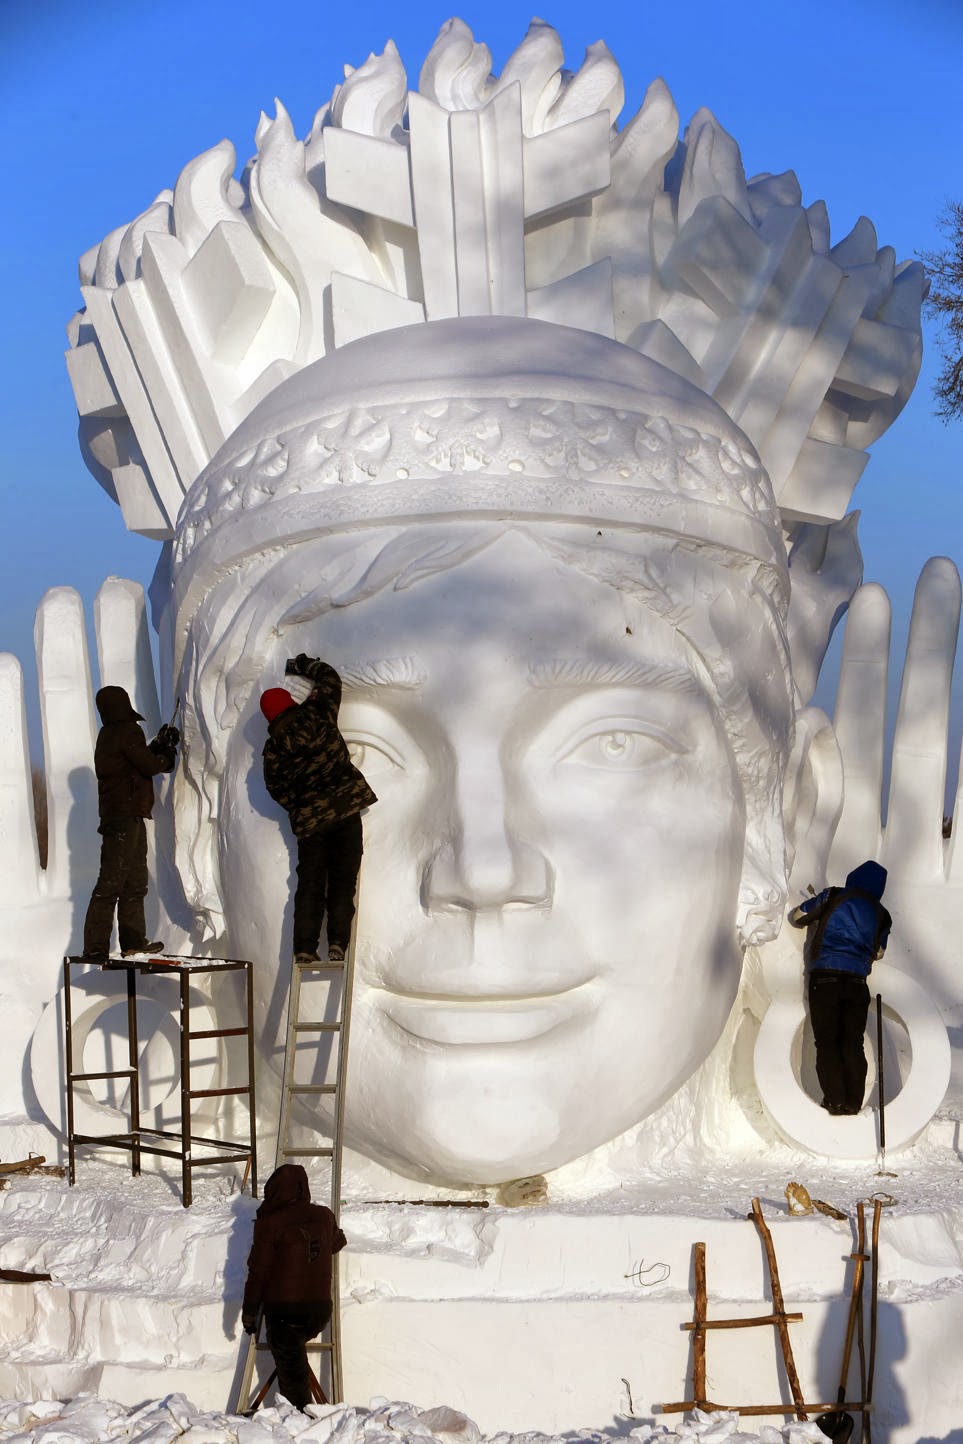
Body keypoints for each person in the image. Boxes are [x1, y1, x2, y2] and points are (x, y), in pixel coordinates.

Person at [260, 655, 377, 964]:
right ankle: (337, 942)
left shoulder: (273, 750)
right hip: (344, 809)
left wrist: (301, 805)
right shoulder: (318, 713)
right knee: (342, 880)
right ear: (290, 702)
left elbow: (276, 790)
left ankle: (305, 947)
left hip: (311, 824)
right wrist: (300, 664)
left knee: (310, 883)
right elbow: (330, 679)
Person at [82, 686, 179, 963]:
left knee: (131, 881)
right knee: (116, 883)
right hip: (126, 817)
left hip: (121, 816)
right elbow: (147, 765)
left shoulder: (108, 735)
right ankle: (101, 947)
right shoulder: (127, 731)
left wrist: (157, 748)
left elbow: (134, 762)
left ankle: (130, 943)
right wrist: (167, 755)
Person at [789, 860, 892, 1115]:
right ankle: (852, 1102)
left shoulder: (834, 895)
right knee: (852, 1042)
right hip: (857, 983)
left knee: (827, 1041)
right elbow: (879, 952)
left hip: (825, 978)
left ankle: (834, 1100)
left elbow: (798, 916)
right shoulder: (882, 915)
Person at [241, 1162, 346, 1410]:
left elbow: (258, 1272)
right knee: (292, 1359)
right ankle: (303, 1412)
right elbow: (338, 1242)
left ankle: (300, 1417)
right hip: (319, 1313)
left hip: (284, 1315)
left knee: (290, 1366)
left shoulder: (270, 1224)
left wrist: (249, 1313)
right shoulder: (324, 1215)